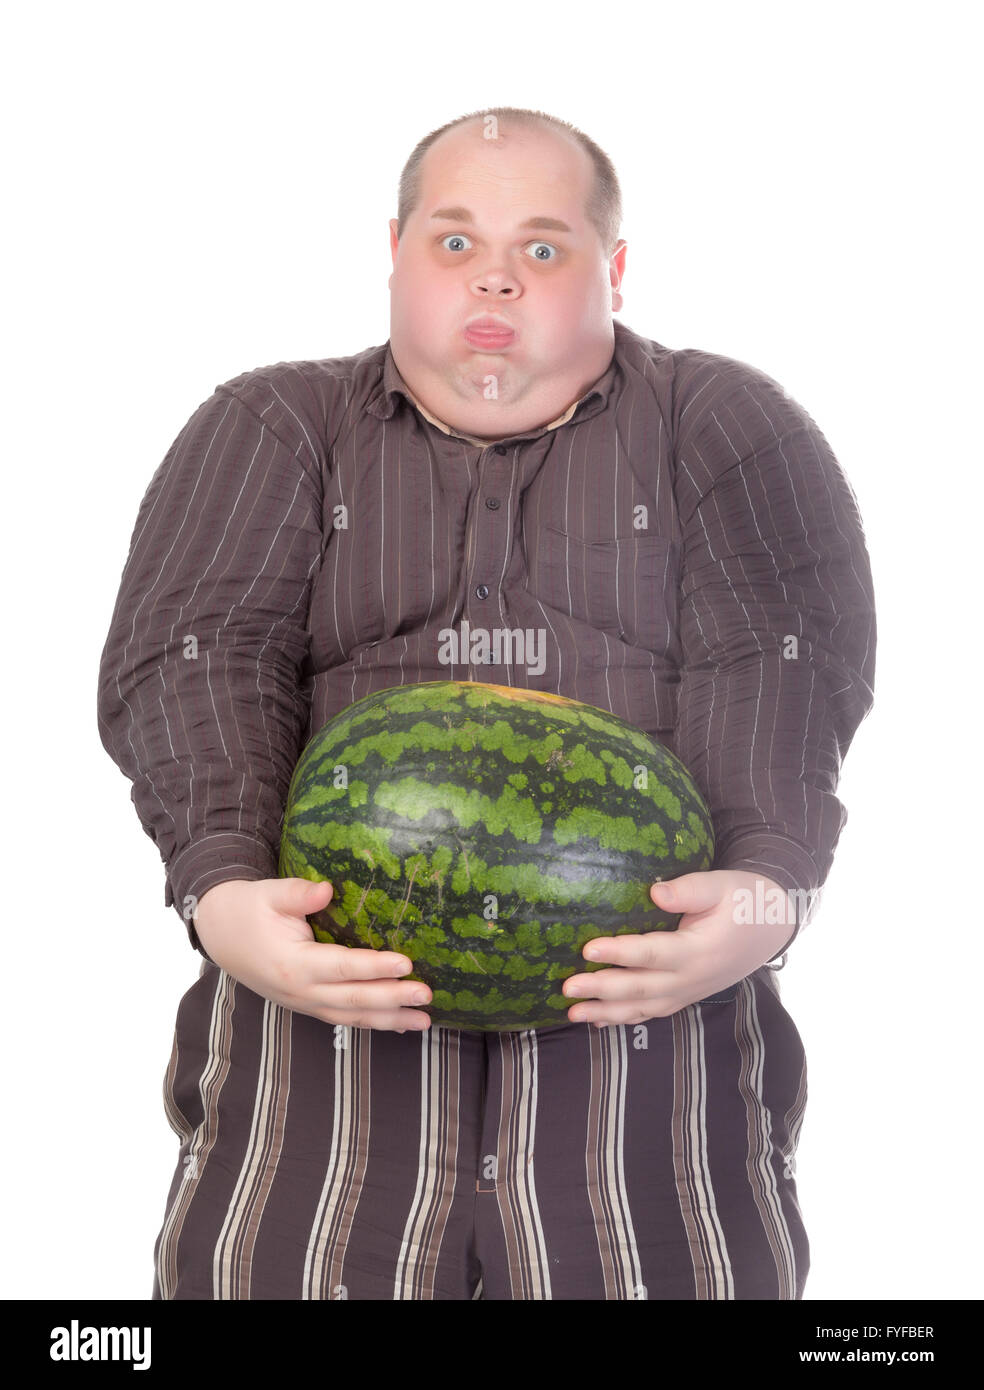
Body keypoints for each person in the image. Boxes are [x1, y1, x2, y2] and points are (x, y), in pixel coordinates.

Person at [96, 106, 876, 1300]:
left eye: (546, 246)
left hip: (650, 1094)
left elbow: (781, 656)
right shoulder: (271, 427)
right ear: (395, 250)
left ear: (613, 269)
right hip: (317, 1089)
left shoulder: (725, 425)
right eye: (454, 242)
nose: (497, 275)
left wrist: (766, 883)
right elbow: (202, 654)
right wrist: (225, 883)